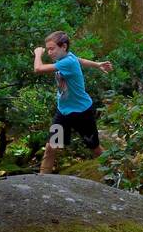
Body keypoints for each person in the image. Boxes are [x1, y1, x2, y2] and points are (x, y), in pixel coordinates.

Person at [33, 30, 112, 175]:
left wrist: (38, 54)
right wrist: (97, 64)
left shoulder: (67, 62)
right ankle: (42, 179)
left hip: (82, 113)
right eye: (48, 49)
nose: (49, 52)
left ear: (63, 46)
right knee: (51, 146)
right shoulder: (67, 58)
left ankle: (117, 170)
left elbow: (38, 69)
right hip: (63, 112)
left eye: (52, 49)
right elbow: (80, 60)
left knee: (95, 148)